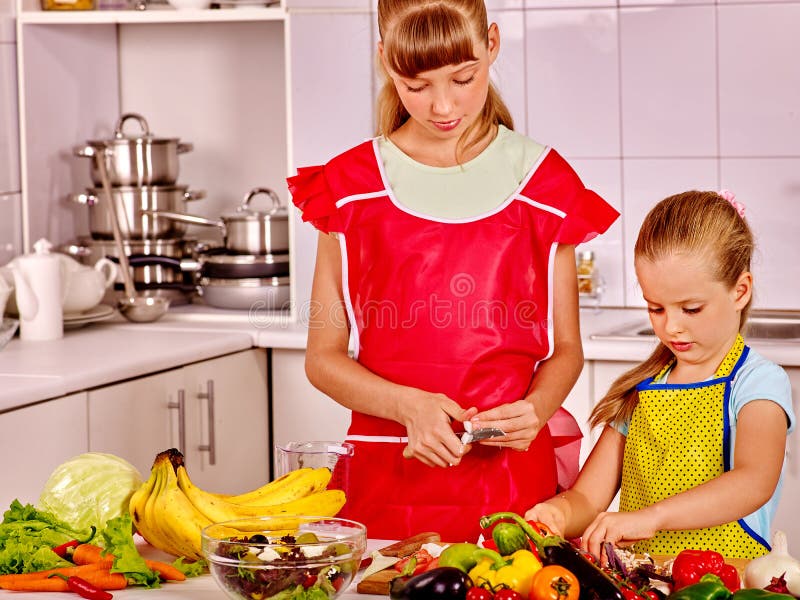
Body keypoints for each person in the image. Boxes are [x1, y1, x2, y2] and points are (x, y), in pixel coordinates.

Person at [287, 0, 618, 541]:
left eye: (463, 78)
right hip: (388, 487)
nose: (443, 105)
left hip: (511, 488)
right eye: (416, 85)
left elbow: (566, 350)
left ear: (492, 44)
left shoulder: (544, 184)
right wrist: (407, 406)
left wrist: (535, 410)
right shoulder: (349, 188)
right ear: (384, 61)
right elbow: (322, 358)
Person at [525, 190, 795, 560]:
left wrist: (653, 518)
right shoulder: (642, 390)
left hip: (728, 580)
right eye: (655, 308)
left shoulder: (757, 383)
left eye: (691, 309)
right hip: (644, 581)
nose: (671, 328)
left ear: (740, 291)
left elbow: (753, 481)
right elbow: (587, 497)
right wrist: (559, 513)